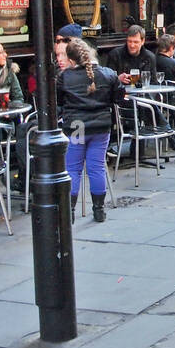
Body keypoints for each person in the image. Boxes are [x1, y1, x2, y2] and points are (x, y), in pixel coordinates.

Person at [59, 37, 125, 222]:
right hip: (101, 127)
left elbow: (58, 101)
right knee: (96, 168)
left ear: (71, 60)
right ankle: (99, 210)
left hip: (77, 126)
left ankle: (69, 212)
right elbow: (118, 97)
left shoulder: (65, 77)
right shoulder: (108, 74)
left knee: (73, 168)